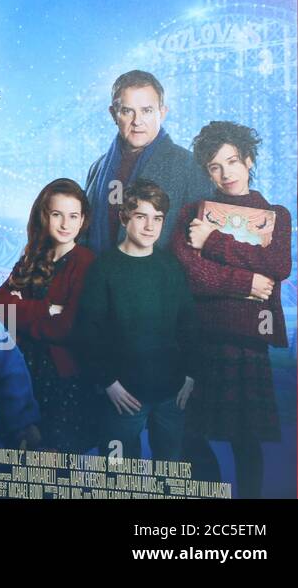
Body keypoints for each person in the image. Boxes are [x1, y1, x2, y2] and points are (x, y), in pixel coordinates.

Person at [172, 121, 290, 499]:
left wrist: (214, 241)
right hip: (201, 339)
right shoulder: (193, 211)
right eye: (214, 167)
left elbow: (276, 266)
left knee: (245, 439)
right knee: (188, 433)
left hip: (246, 341)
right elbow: (191, 276)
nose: (226, 174)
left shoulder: (276, 215)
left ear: (249, 160)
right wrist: (245, 282)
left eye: (233, 161)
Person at [73, 179, 197, 464]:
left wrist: (190, 375)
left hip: (171, 392)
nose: (150, 226)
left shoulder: (170, 266)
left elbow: (189, 326)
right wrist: (108, 383)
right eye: (141, 216)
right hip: (124, 394)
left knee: (171, 472)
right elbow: (88, 334)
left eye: (157, 218)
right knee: (118, 474)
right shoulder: (103, 268)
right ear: (124, 218)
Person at [0, 178, 95, 452]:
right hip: (22, 370)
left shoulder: (84, 261)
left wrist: (22, 311)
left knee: (56, 461)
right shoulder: (33, 257)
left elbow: (66, 328)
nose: (65, 224)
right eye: (57, 214)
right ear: (44, 216)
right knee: (21, 454)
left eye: (73, 216)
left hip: (61, 380)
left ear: (83, 220)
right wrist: (47, 310)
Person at [83, 70, 212, 252]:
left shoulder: (190, 166)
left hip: (158, 277)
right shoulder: (97, 168)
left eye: (147, 111)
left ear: (162, 113)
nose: (137, 121)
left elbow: (200, 245)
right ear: (113, 114)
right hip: (97, 274)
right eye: (127, 111)